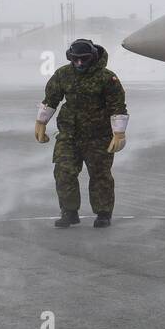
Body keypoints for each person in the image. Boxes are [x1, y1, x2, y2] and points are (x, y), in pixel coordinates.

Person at [34, 39, 129, 228]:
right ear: (70, 58)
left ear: (92, 57)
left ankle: (103, 213)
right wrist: (41, 122)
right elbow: (51, 99)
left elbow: (117, 106)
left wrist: (119, 133)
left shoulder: (107, 78)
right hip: (69, 135)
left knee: (100, 176)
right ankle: (69, 212)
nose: (79, 64)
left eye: (84, 59)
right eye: (75, 59)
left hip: (98, 137)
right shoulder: (63, 74)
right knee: (63, 172)